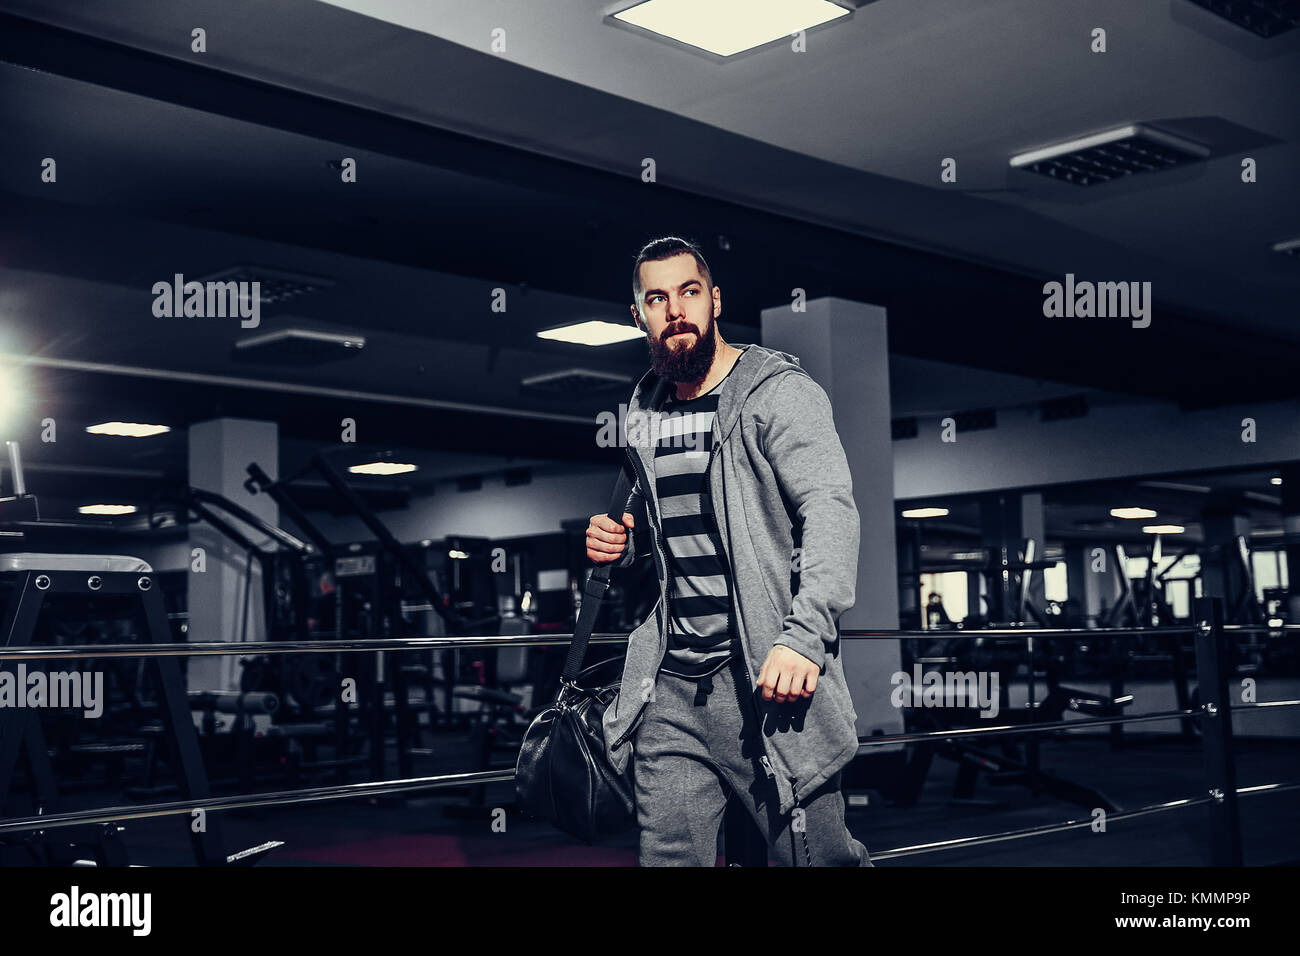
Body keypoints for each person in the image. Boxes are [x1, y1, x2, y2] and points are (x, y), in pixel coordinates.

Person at [586, 236, 872, 867]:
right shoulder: (645, 411)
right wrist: (623, 542)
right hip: (669, 690)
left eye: (689, 292)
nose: (676, 310)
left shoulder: (778, 395)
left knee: (817, 860)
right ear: (640, 316)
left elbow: (830, 512)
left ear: (715, 300)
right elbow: (673, 530)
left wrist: (804, 637)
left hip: (767, 684)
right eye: (657, 298)